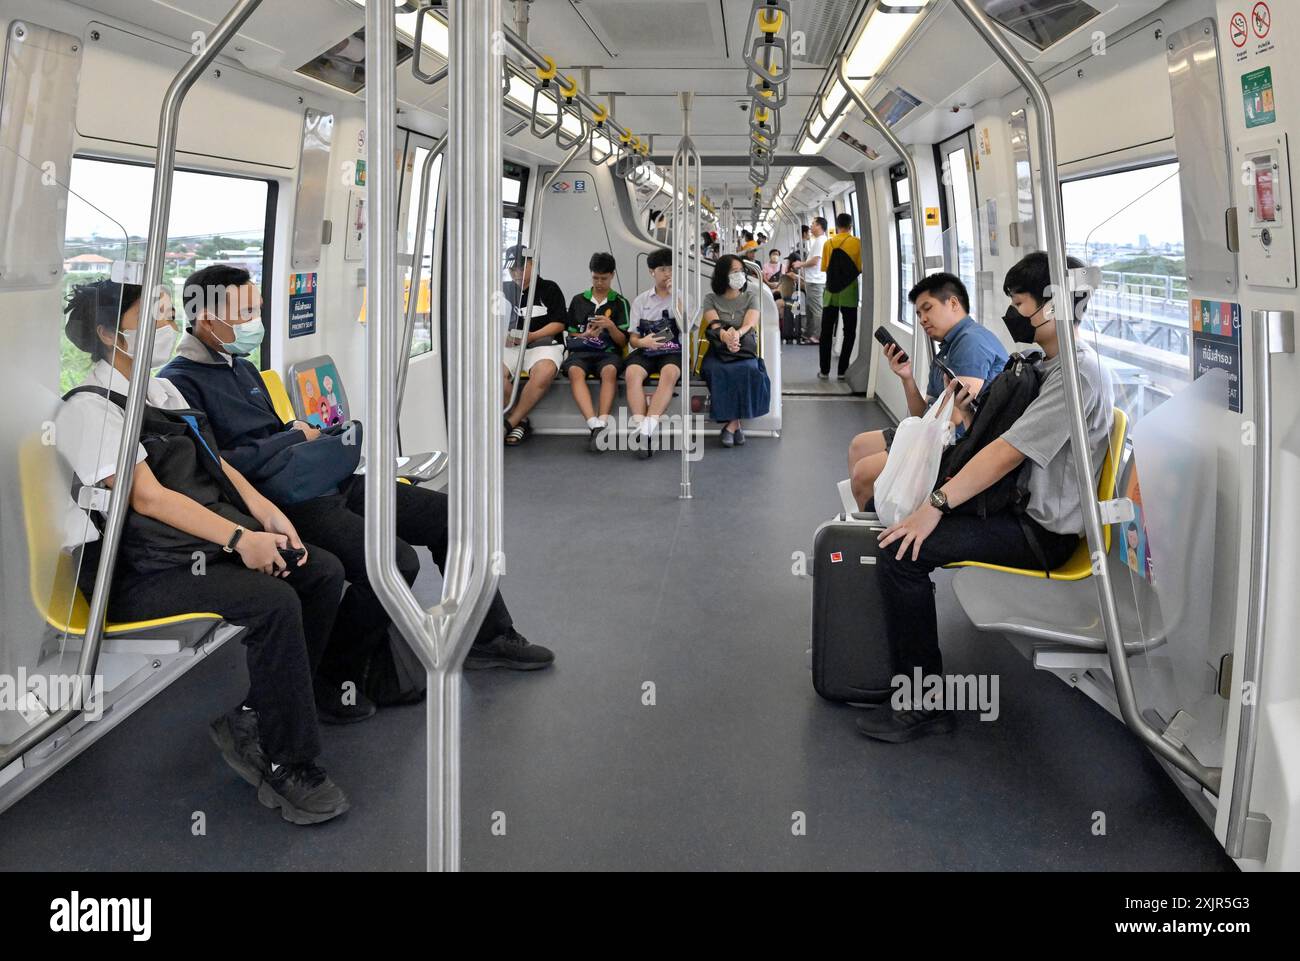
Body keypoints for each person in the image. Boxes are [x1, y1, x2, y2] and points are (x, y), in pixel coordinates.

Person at [161, 265, 555, 710]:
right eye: (246, 311)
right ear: (207, 319)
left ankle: (489, 636)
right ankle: (334, 670)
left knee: (449, 517)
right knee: (395, 562)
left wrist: (296, 432)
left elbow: (271, 433)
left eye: (257, 308)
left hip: (324, 479)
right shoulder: (179, 382)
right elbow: (221, 465)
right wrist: (293, 436)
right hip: (285, 502)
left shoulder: (241, 366)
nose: (256, 319)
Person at [57, 280, 350, 824]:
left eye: (169, 314)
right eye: (156, 317)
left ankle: (259, 716)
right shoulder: (88, 410)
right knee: (274, 602)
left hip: (187, 548)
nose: (168, 326)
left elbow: (218, 463)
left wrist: (265, 513)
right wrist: (241, 540)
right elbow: (149, 496)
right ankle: (286, 762)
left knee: (320, 572)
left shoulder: (160, 392)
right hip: (134, 572)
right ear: (107, 333)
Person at [856, 252, 1114, 743]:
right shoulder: (1043, 363)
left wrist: (935, 507)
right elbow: (998, 437)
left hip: (1041, 531)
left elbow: (1008, 453)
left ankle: (923, 703)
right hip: (1017, 507)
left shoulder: (1075, 376)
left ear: (1051, 305)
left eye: (1019, 303)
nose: (1013, 314)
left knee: (901, 551)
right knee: (902, 537)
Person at [847, 272, 1008, 509]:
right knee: (859, 445)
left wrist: (909, 448)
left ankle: (878, 534)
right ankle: (871, 515)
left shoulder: (971, 343)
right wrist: (907, 377)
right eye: (919, 314)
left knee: (864, 474)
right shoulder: (948, 347)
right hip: (934, 433)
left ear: (953, 303)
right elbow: (923, 414)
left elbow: (951, 422)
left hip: (955, 444)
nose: (922, 319)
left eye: (928, 309)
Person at [700, 255, 771, 447]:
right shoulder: (710, 299)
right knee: (716, 370)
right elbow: (714, 324)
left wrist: (736, 335)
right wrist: (726, 337)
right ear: (723, 275)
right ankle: (736, 424)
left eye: (741, 271)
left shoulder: (751, 298)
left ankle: (730, 426)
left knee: (750, 370)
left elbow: (749, 323)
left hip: (742, 347)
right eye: (734, 271)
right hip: (719, 349)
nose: (739, 275)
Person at [500, 245, 567, 445]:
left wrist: (531, 336)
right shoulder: (504, 291)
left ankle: (510, 422)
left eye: (520, 268)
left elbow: (559, 323)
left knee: (544, 371)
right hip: (512, 347)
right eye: (512, 269)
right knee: (491, 373)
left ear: (532, 264)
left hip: (543, 344)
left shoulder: (549, 288)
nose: (516, 273)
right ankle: (520, 421)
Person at [562, 252, 629, 452]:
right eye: (595, 278)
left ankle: (602, 420)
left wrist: (610, 326)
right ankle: (594, 423)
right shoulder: (578, 300)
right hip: (582, 351)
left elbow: (623, 340)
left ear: (612, 276)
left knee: (609, 372)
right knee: (575, 372)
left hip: (609, 352)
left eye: (604, 278)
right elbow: (571, 336)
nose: (599, 283)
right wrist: (585, 334)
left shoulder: (620, 302)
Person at [625, 247, 684, 460]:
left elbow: (687, 325)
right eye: (662, 269)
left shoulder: (682, 297)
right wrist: (643, 342)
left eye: (671, 269)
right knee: (632, 373)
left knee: (669, 374)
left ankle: (647, 427)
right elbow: (632, 337)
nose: (668, 273)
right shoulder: (641, 301)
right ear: (652, 272)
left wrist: (676, 296)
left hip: (672, 350)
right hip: (646, 348)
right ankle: (644, 429)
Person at [818, 212, 863, 380]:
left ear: (837, 226)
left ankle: (824, 371)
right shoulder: (857, 243)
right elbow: (859, 267)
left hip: (830, 293)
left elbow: (824, 267)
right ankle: (842, 370)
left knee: (826, 332)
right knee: (849, 331)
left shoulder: (828, 243)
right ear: (851, 226)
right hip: (849, 292)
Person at [793, 218, 828, 344]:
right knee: (810, 309)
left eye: (813, 224)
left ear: (819, 226)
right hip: (812, 280)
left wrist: (800, 264)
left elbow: (815, 261)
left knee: (817, 310)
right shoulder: (818, 240)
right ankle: (809, 333)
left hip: (816, 281)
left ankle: (818, 336)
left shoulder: (820, 241)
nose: (811, 227)